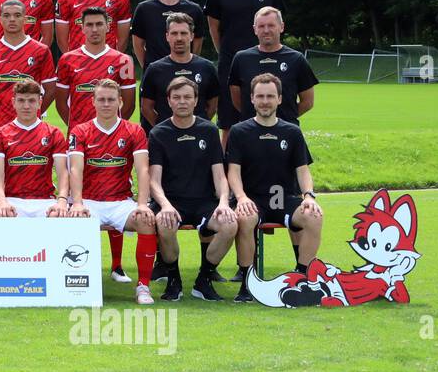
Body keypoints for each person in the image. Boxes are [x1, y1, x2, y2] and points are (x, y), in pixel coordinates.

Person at [226, 73, 323, 300]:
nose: (265, 101)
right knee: (245, 218)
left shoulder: (292, 132)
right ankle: (248, 282)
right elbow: (233, 172)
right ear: (251, 99)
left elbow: (303, 171)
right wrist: (240, 198)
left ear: (280, 99)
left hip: (283, 199)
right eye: (260, 96)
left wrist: (309, 196)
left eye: (270, 96)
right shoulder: (239, 131)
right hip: (252, 199)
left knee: (315, 216)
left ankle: (302, 278)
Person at [146, 77, 238, 302]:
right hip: (172, 201)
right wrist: (165, 205)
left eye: (187, 97)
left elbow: (219, 174)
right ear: (168, 101)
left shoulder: (208, 130)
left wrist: (224, 202)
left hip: (204, 201)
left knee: (230, 224)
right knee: (165, 224)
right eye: (176, 97)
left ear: (196, 100)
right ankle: (173, 280)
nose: (182, 102)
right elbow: (154, 180)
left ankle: (203, 280)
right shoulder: (158, 133)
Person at [66, 80, 158, 303]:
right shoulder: (80, 130)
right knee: (73, 221)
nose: (106, 104)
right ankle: (76, 285)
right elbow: (76, 169)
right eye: (101, 99)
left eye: (111, 99)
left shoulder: (133, 130)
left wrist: (143, 204)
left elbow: (142, 168)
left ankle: (143, 286)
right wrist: (77, 202)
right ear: (93, 102)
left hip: (120, 202)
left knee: (146, 221)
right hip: (89, 200)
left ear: (120, 101)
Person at [205, 0, 286, 141]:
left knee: (270, 119)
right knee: (229, 124)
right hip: (231, 64)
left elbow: (277, 25)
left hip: (266, 63)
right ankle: (228, 171)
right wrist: (225, 52)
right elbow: (214, 27)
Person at [0, 79, 71, 218]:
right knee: (4, 214)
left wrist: (62, 200)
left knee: (60, 214)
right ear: (13, 102)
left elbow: (63, 172)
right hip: (13, 200)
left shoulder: (53, 133)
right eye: (21, 101)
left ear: (39, 102)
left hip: (44, 200)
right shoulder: (1, 133)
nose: (26, 106)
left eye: (31, 101)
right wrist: (2, 201)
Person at [0, 0, 56, 139]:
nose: (12, 19)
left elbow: (51, 90)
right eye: (7, 16)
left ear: (25, 19)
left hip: (31, 129)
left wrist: (33, 111)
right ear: (0, 20)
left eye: (17, 15)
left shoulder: (41, 51)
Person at [228, 7, 318, 125]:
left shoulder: (296, 59)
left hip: (286, 133)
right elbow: (237, 101)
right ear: (255, 29)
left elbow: (308, 102)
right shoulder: (241, 59)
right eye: (261, 26)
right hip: (250, 132)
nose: (266, 30)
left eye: (271, 25)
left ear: (281, 27)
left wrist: (284, 120)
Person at [139, 12, 219, 126]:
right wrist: (164, 129)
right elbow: (146, 108)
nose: (179, 38)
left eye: (184, 33)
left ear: (191, 36)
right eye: (174, 33)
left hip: (197, 136)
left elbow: (212, 106)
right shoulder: (155, 69)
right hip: (166, 137)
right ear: (167, 36)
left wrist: (198, 127)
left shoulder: (207, 67)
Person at [130, 0, 206, 67]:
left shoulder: (194, 9)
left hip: (184, 74)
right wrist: (149, 68)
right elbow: (138, 45)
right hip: (155, 74)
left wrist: (188, 66)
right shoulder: (144, 9)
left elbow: (197, 44)